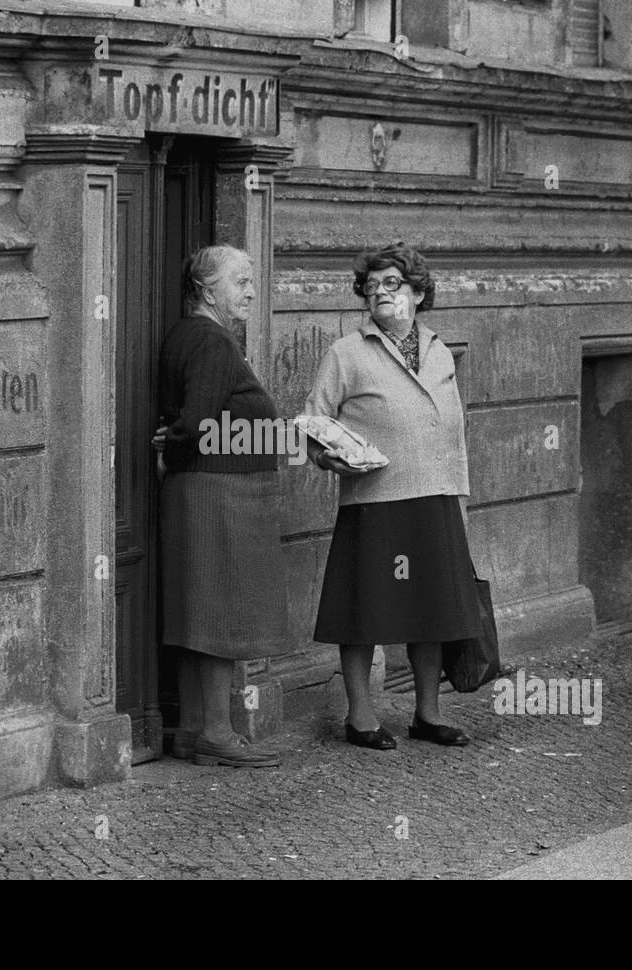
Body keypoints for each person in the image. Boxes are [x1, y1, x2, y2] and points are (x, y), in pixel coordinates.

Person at [305, 241, 484, 749]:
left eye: (393, 283)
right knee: (363, 612)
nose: (381, 292)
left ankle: (427, 714)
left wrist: (460, 498)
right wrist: (327, 458)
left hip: (435, 497)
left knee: (432, 611)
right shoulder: (346, 352)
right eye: (372, 284)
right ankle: (360, 717)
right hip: (373, 500)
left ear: (418, 293)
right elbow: (314, 420)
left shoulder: (438, 350)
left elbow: (456, 431)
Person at [153, 244, 290, 767]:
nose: (251, 291)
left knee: (200, 611)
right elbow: (195, 422)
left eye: (252, 281)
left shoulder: (203, 336)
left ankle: (193, 731)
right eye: (241, 281)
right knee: (218, 612)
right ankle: (214, 731)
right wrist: (176, 454)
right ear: (207, 289)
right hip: (217, 494)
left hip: (216, 488)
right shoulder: (210, 340)